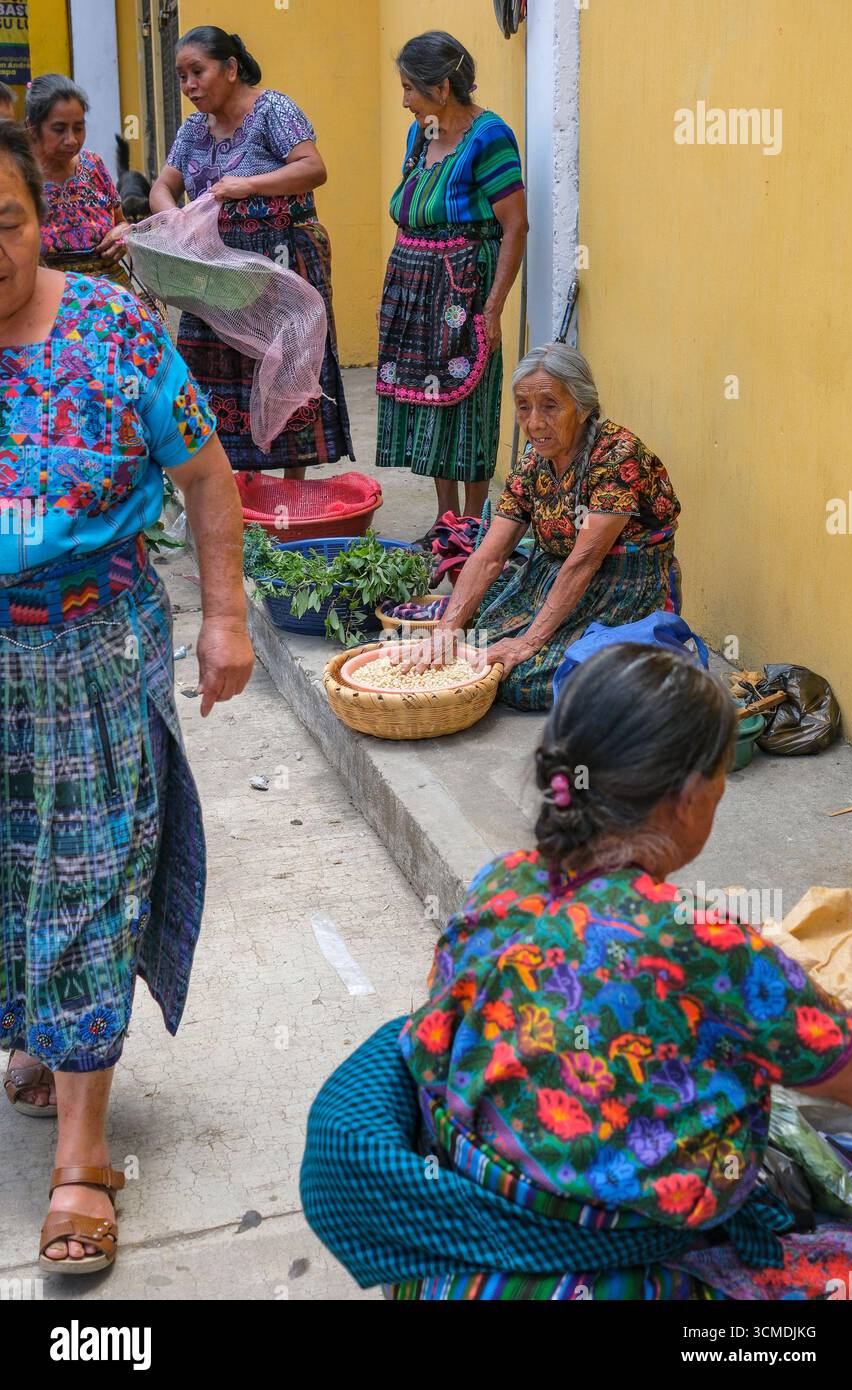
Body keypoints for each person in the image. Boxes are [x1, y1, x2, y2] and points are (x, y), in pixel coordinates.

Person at [302, 645, 852, 1300]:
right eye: (718, 782)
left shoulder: (500, 885)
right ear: (687, 798)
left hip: (458, 1257)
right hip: (598, 1275)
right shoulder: (703, 944)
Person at [0, 122, 254, 1273]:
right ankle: (38, 1035)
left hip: (97, 647)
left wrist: (227, 616)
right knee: (17, 873)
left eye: (1, 224)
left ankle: (81, 1162)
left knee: (93, 876)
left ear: (39, 219)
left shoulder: (112, 329)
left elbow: (205, 472)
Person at [401, 343, 683, 709]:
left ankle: (651, 665)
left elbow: (585, 561)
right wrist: (444, 633)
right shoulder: (535, 460)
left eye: (550, 406)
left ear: (582, 408)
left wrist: (528, 642)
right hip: (554, 574)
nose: (534, 423)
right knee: (477, 647)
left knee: (523, 677)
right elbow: (490, 554)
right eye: (524, 407)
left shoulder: (617, 456)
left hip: (624, 582)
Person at [150, 26, 353, 480]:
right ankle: (238, 496)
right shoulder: (191, 130)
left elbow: (313, 168)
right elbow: (163, 187)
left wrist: (249, 185)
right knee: (217, 375)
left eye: (197, 72)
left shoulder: (272, 110)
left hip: (278, 262)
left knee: (281, 366)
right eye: (182, 76)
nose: (188, 86)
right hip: (213, 268)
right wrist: (178, 221)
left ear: (231, 68)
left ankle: (288, 497)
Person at [375, 31, 528, 541]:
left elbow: (515, 226)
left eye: (410, 89)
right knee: (430, 403)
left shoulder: (489, 137)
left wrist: (494, 307)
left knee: (472, 404)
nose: (404, 100)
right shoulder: (421, 134)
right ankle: (445, 522)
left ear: (441, 88)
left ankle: (474, 526)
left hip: (465, 288)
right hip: (417, 290)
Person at [26, 75, 133, 286]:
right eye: (59, 129)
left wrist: (123, 234)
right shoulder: (19, 178)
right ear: (32, 127)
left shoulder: (93, 166)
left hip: (111, 295)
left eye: (78, 127)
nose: (72, 140)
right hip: (50, 298)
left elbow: (121, 221)